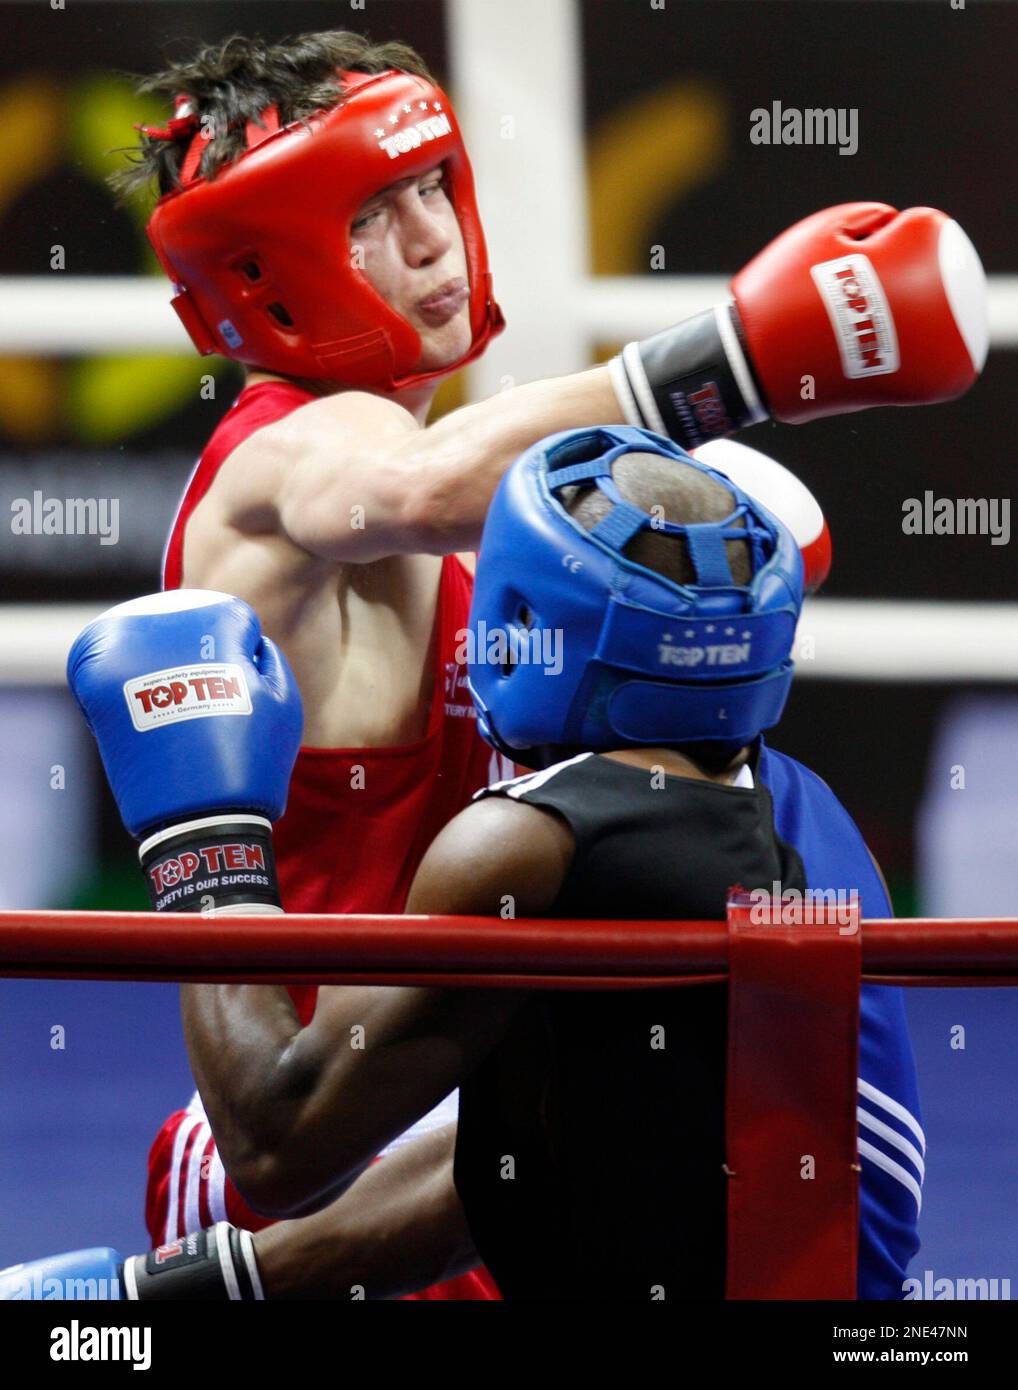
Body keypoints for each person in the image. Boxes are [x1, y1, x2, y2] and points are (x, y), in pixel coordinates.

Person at [110, 24, 977, 1294]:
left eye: (426, 189)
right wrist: (734, 362)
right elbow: (410, 487)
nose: (429, 241)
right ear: (269, 266)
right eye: (365, 218)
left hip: (463, 1083)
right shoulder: (289, 456)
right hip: (334, 1111)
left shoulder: (464, 510)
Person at [35, 427, 921, 1300]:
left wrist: (203, 829)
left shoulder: (532, 842)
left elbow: (276, 1141)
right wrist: (163, 1294)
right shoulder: (801, 804)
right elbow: (511, 1168)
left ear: (516, 624)